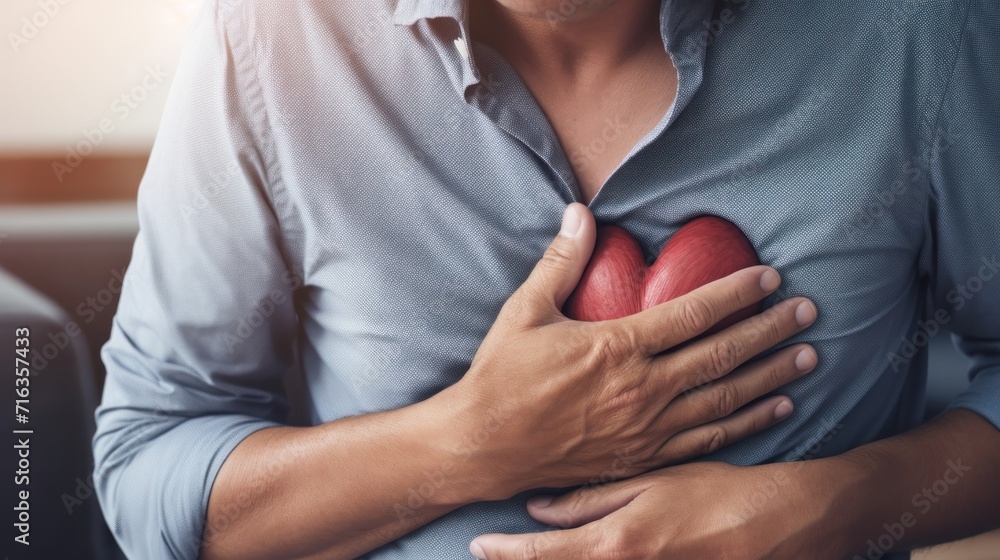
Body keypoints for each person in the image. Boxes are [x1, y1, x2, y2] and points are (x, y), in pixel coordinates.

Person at [92, 0, 1000, 558]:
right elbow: (146, 472)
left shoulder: (922, 28)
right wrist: (466, 442)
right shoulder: (269, 36)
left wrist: (850, 507)